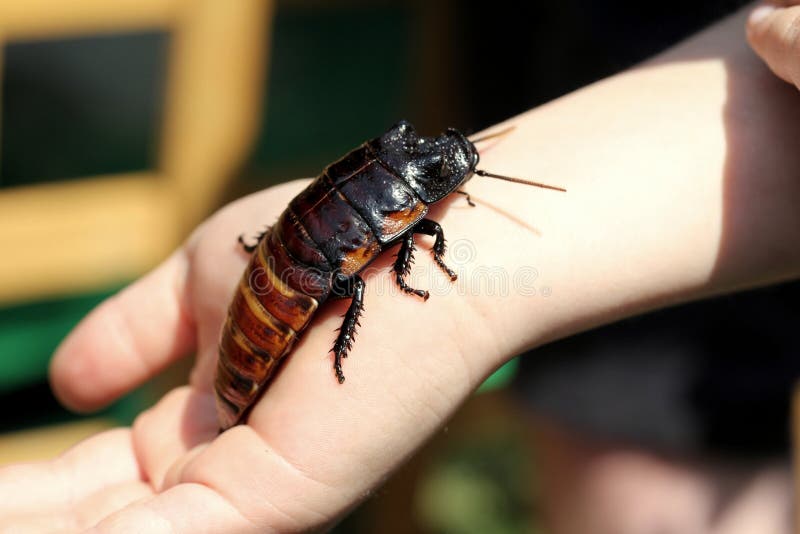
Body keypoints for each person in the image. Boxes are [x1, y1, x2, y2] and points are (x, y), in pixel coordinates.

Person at [1, 2, 799, 532]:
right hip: (290, 268)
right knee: (348, 280)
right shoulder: (402, 215)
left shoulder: (403, 198)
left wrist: (452, 304)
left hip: (291, 257)